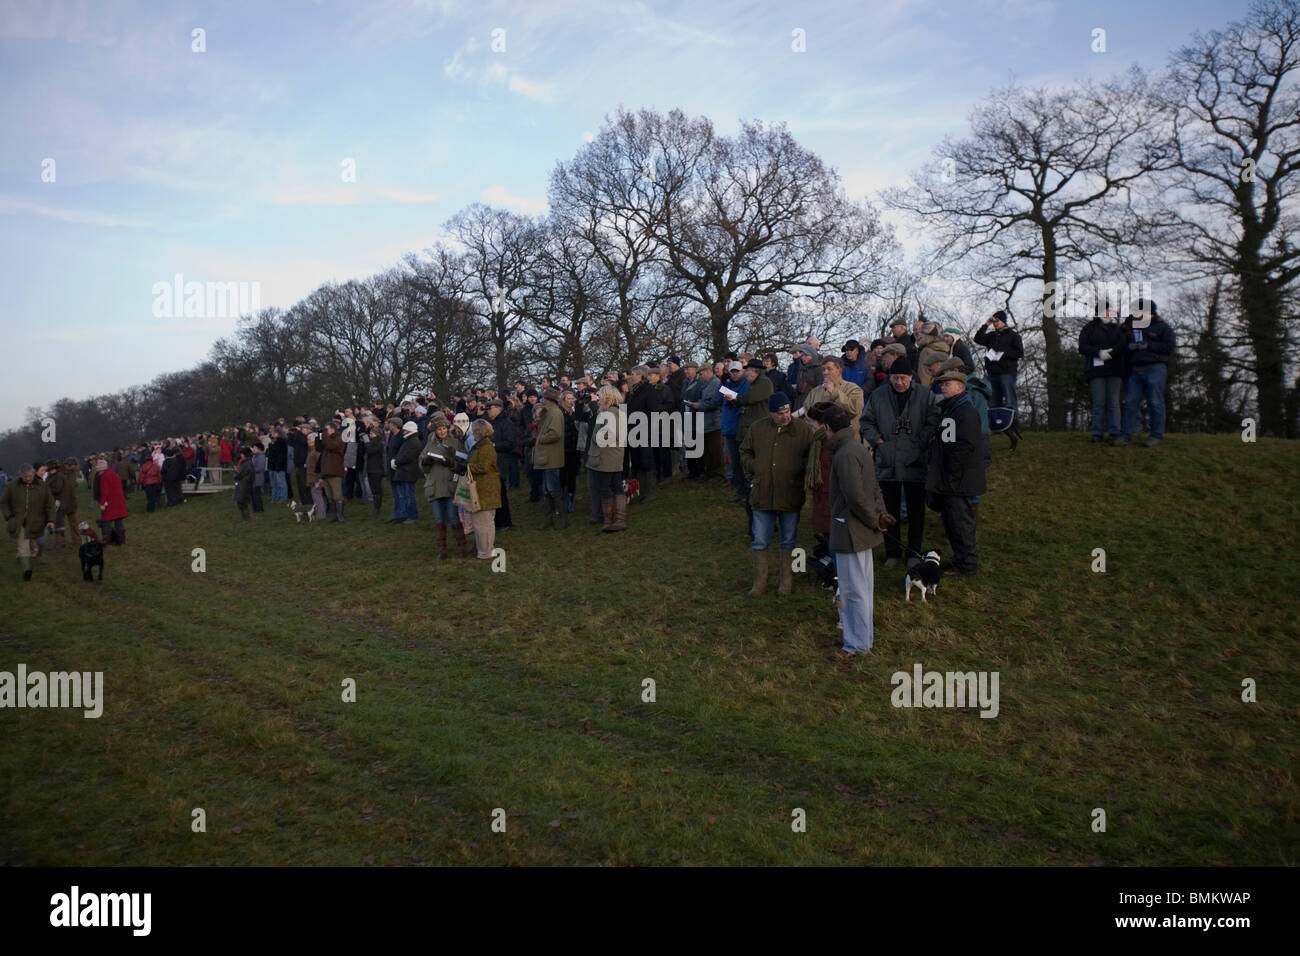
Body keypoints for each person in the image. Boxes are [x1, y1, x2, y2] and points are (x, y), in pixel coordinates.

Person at [826, 404, 894, 656]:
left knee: (854, 590)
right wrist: (880, 515)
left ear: (828, 428)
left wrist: (875, 520)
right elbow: (874, 488)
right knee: (863, 588)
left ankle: (856, 645)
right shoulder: (858, 448)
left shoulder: (844, 454)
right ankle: (862, 640)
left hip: (851, 531)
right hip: (861, 530)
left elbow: (854, 496)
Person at [861, 357, 939, 569]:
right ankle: (892, 552)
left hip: (915, 461)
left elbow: (934, 419)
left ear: (911, 377)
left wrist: (921, 442)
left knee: (916, 511)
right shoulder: (878, 395)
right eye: (895, 378)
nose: (899, 383)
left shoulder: (925, 396)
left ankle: (914, 551)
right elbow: (866, 421)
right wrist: (878, 441)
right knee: (888, 511)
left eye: (903, 378)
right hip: (887, 462)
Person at [740, 391, 816, 597]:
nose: (786, 416)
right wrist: (754, 468)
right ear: (771, 413)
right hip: (762, 493)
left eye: (788, 410)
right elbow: (744, 451)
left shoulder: (802, 430)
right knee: (760, 541)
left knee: (788, 541)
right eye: (780, 413)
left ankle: (787, 582)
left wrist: (801, 472)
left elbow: (811, 456)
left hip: (790, 493)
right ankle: (759, 584)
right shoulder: (757, 428)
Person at [927, 368, 986, 576]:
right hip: (950, 480)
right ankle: (960, 560)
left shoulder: (965, 412)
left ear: (960, 387)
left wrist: (951, 474)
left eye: (947, 384)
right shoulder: (950, 409)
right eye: (942, 384)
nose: (943, 387)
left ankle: (967, 565)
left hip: (959, 481)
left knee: (961, 523)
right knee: (953, 522)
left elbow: (965, 446)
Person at [1113, 298, 1175, 447]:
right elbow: (1122, 346)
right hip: (1136, 370)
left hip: (1155, 368)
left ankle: (1156, 435)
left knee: (1155, 402)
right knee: (1130, 403)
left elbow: (1169, 347)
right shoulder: (1132, 328)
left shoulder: (1163, 328)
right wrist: (1130, 347)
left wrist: (1148, 345)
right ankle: (1126, 435)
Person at [421, 413, 466, 558]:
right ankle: (442, 550)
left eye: (444, 428)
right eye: (439, 429)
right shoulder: (430, 444)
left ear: (448, 428)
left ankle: (463, 547)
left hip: (449, 485)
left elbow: (463, 463)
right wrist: (425, 463)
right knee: (439, 520)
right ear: (435, 430)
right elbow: (422, 464)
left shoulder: (455, 443)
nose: (442, 431)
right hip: (434, 486)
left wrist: (451, 463)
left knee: (454, 518)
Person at [2, 464, 55, 581]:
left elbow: (50, 504)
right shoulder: (12, 486)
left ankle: (37, 555)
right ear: (20, 475)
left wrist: (51, 520)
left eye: (30, 476)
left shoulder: (42, 486)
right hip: (18, 522)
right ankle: (27, 570)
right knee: (23, 546)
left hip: (37, 521)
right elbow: (4, 502)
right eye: (25, 476)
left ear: (33, 474)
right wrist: (9, 516)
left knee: (38, 543)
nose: (27, 478)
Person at [587, 384, 629, 533]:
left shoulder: (610, 413)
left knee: (606, 488)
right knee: (616, 487)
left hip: (606, 456)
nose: (598, 399)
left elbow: (608, 435)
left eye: (600, 396)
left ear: (607, 398)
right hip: (614, 456)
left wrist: (596, 438)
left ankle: (610, 521)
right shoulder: (617, 412)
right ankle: (618, 520)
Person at [973, 310, 1024, 413]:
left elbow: (1019, 353)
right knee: (993, 403)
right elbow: (977, 339)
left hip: (1007, 373)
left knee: (1010, 402)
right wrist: (986, 324)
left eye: (997, 321)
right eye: (994, 321)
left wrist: (1002, 354)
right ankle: (997, 427)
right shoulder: (991, 336)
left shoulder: (1013, 336)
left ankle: (1013, 427)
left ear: (1003, 321)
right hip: (992, 373)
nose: (995, 323)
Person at [625, 366, 662, 505]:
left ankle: (650, 492)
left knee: (647, 460)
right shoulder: (633, 391)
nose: (631, 377)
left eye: (633, 374)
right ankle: (642, 491)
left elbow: (654, 411)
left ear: (641, 376)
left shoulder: (649, 391)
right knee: (637, 461)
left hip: (645, 430)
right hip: (633, 430)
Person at [466, 419, 501, 559]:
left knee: (483, 523)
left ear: (478, 432)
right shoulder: (481, 446)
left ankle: (485, 552)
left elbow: (484, 467)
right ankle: (485, 549)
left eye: (474, 431)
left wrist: (467, 467)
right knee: (483, 522)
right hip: (483, 488)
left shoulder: (485, 447)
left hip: (485, 489)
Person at [533, 387, 566, 528]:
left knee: (553, 489)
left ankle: (561, 520)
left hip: (551, 457)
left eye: (543, 398)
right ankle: (549, 519)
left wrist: (540, 439)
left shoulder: (554, 413)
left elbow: (555, 434)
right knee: (547, 489)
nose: (542, 400)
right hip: (546, 457)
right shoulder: (548, 412)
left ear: (548, 399)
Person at [797, 355, 864, 421]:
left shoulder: (853, 389)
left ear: (839, 371)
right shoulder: (814, 391)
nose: (825, 372)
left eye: (829, 369)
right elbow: (807, 415)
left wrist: (834, 392)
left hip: (843, 431)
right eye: (823, 369)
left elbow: (854, 410)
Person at [718, 361, 748, 501]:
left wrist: (732, 397)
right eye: (732, 371)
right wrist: (722, 384)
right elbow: (718, 399)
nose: (735, 374)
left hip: (740, 428)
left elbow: (742, 400)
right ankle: (739, 490)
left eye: (737, 371)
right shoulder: (726, 384)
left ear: (742, 371)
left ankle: (746, 491)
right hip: (728, 428)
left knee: (743, 462)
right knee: (734, 462)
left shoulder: (746, 385)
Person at [484, 399, 515, 531]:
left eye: (490, 408)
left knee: (500, 493)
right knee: (496, 492)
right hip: (492, 462)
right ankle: (499, 521)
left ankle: (503, 522)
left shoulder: (506, 423)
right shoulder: (492, 423)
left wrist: (493, 445)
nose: (488, 411)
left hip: (500, 462)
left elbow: (510, 443)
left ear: (498, 408)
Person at [391, 420, 422, 524]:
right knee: (405, 495)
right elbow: (402, 454)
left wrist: (396, 461)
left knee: (409, 496)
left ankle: (412, 516)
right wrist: (396, 460)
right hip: (405, 472)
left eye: (405, 430)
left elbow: (407, 457)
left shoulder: (413, 441)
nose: (403, 432)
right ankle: (407, 515)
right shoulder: (409, 440)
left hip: (408, 472)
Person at [93, 458, 128, 545]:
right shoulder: (114, 474)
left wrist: (101, 503)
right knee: (118, 522)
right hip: (119, 502)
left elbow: (105, 492)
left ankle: (107, 541)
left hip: (110, 503)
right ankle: (121, 541)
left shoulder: (104, 477)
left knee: (107, 522)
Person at [319, 421, 346, 521]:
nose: (325, 432)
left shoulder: (339, 439)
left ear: (332, 429)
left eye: (327, 429)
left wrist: (325, 435)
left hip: (334, 471)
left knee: (337, 495)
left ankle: (340, 515)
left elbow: (331, 446)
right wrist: (320, 436)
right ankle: (334, 515)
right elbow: (319, 447)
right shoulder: (328, 439)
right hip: (326, 471)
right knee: (330, 496)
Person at [233, 447, 254, 520]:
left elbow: (240, 474)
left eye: (242, 454)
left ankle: (246, 517)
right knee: (241, 502)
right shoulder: (247, 462)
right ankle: (244, 517)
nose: (241, 455)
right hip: (244, 484)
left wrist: (236, 474)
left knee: (241, 502)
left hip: (244, 484)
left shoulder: (246, 463)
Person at [251, 441, 267, 514]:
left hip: (258, 478)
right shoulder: (255, 456)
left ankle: (259, 509)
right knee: (253, 495)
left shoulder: (261, 456)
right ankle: (255, 509)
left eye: (254, 448)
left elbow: (260, 468)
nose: (253, 450)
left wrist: (251, 470)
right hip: (253, 478)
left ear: (259, 449)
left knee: (257, 495)